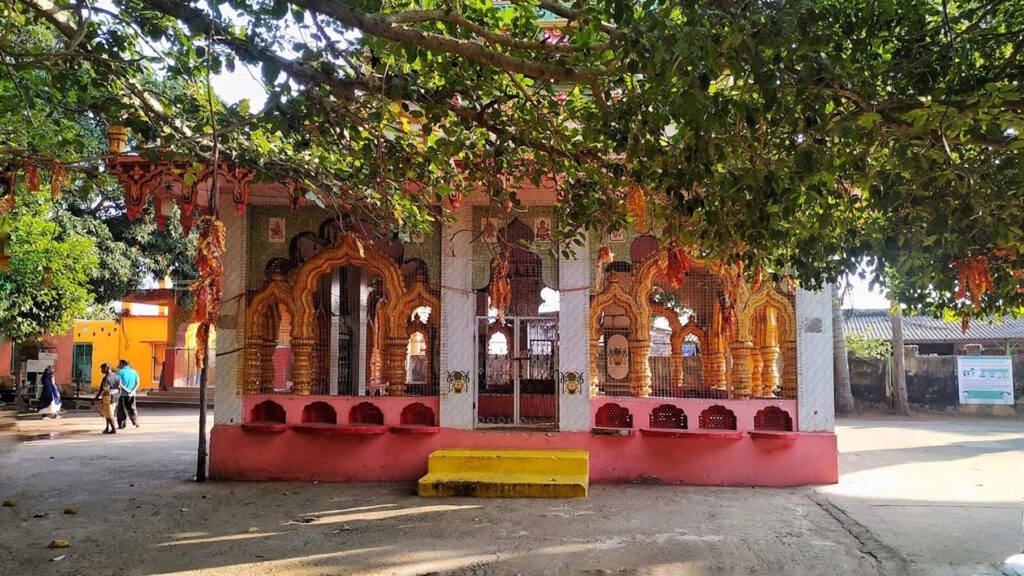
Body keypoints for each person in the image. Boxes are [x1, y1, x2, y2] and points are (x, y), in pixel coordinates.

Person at [93, 363, 121, 434]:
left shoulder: (106, 378)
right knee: (107, 413)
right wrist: (118, 396)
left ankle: (113, 429)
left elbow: (102, 389)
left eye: (102, 369)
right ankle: (107, 428)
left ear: (107, 368)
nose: (101, 370)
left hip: (109, 398)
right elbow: (120, 387)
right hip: (115, 396)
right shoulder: (116, 376)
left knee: (109, 414)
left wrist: (95, 399)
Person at [116, 359, 140, 429]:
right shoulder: (134, 372)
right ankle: (135, 421)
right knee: (132, 408)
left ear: (123, 364)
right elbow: (137, 383)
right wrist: (132, 391)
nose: (119, 365)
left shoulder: (120, 372)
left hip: (122, 394)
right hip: (132, 394)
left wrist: (127, 391)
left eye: (120, 364)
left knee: (121, 409)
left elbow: (119, 383)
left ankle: (122, 424)